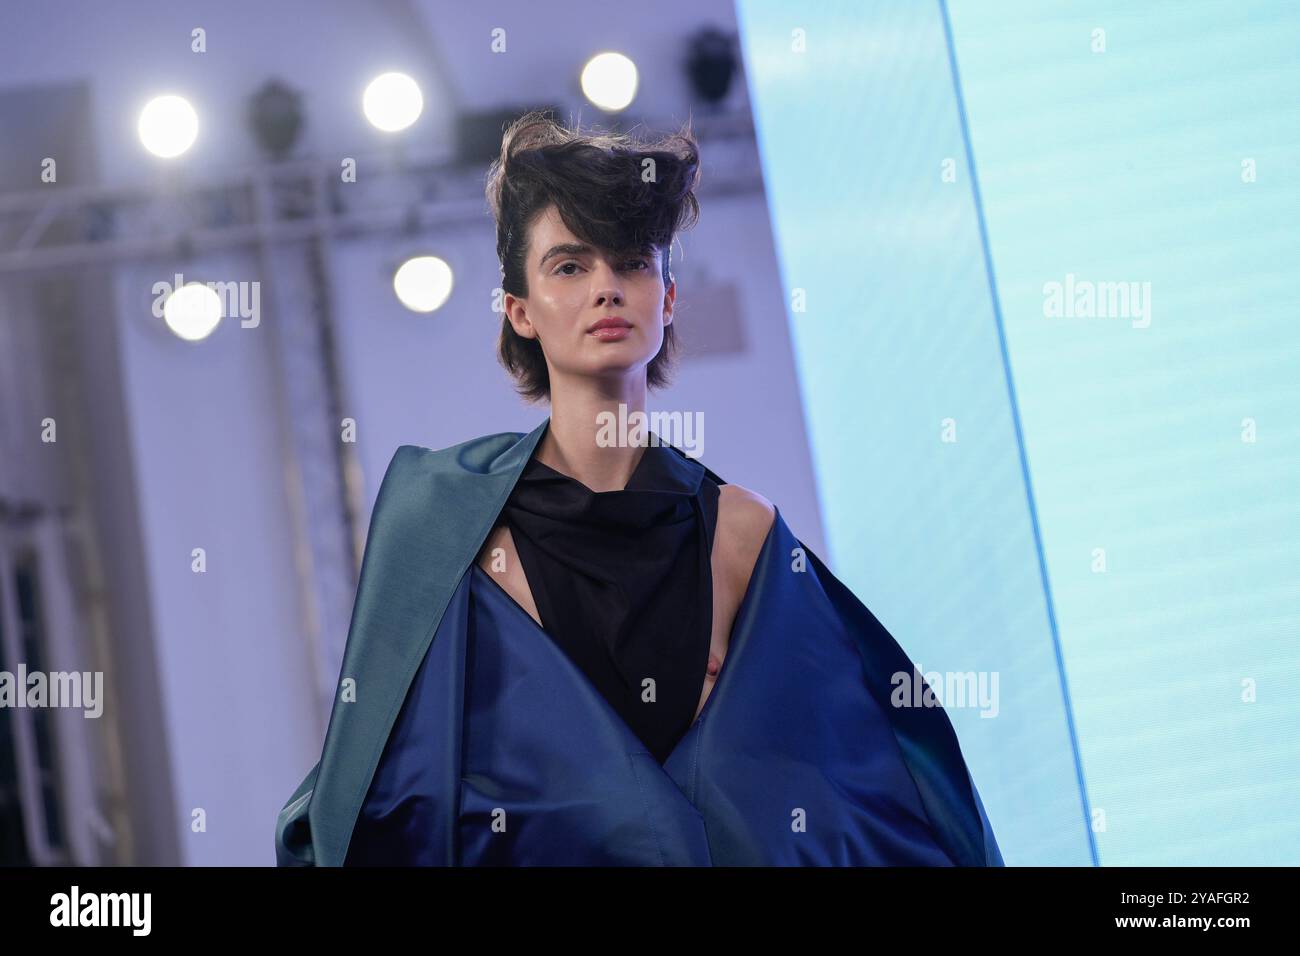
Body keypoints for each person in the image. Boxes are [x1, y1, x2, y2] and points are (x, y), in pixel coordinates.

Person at [274, 111, 1003, 866]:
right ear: (518, 311)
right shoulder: (440, 522)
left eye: (633, 263)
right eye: (569, 266)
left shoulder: (739, 531)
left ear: (668, 298)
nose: (606, 289)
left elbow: (855, 781)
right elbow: (371, 792)